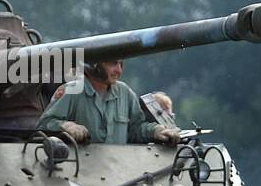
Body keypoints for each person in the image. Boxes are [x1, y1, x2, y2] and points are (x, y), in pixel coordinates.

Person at [37, 60, 180, 145]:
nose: (118, 70)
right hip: (80, 168)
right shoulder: (71, 91)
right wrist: (66, 126)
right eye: (112, 63)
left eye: (120, 63)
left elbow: (135, 128)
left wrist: (156, 131)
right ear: (94, 65)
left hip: (117, 169)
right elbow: (44, 124)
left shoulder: (125, 93)